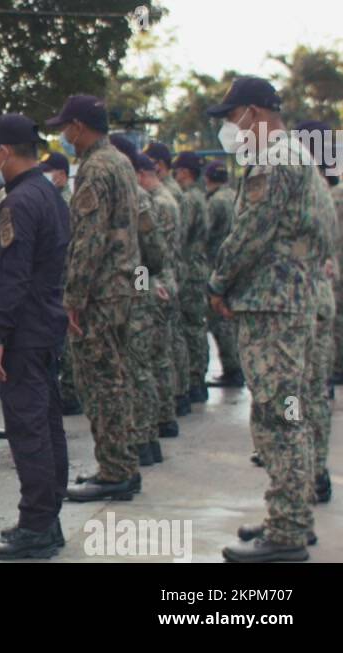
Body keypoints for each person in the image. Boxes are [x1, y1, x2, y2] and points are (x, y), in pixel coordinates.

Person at [207, 76, 331, 562]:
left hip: (272, 307)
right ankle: (289, 514)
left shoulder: (275, 157)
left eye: (231, 117)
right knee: (290, 412)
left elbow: (249, 233)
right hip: (291, 303)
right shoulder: (298, 156)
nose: (229, 129)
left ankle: (288, 532)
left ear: (254, 113)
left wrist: (218, 282)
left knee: (281, 416)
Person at [0, 114, 70, 559]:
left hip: (24, 331)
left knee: (28, 427)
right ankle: (45, 519)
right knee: (47, 424)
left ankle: (37, 525)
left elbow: (12, 275)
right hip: (44, 324)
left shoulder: (18, 202)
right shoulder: (49, 194)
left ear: (6, 151)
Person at [46, 95, 142, 502]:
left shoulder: (95, 168)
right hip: (119, 287)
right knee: (116, 378)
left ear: (80, 127)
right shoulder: (120, 161)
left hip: (99, 294)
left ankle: (115, 470)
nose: (64, 136)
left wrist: (73, 297)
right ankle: (121, 465)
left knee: (101, 382)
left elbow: (88, 238)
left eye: (66, 128)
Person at [112, 136, 175, 467]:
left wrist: (141, 283)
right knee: (138, 369)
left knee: (136, 370)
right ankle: (144, 438)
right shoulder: (134, 195)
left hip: (132, 294)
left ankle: (143, 439)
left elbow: (153, 255)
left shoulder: (134, 197)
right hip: (131, 290)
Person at [294, 119, 338, 504]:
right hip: (322, 297)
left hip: (305, 299)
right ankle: (315, 472)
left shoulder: (309, 188)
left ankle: (307, 475)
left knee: (302, 396)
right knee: (315, 393)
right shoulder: (325, 190)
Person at [134, 154, 182, 442]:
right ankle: (164, 417)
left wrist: (147, 283)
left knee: (150, 360)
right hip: (164, 278)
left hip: (157, 281)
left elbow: (151, 253)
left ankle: (157, 420)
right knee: (160, 357)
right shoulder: (165, 198)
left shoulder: (157, 203)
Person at [40, 151, 81, 417]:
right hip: (58, 280)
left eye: (49, 171)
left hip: (66, 280)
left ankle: (71, 394)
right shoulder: (52, 202)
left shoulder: (66, 205)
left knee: (67, 340)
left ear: (62, 176)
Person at [172, 151, 210, 405]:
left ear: (184, 172)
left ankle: (193, 380)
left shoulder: (189, 200)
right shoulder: (201, 196)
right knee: (196, 326)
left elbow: (179, 237)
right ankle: (198, 379)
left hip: (189, 270)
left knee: (189, 328)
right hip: (198, 268)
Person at [203, 161, 243, 388]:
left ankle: (232, 368)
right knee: (231, 317)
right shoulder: (235, 196)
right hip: (235, 264)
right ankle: (235, 365)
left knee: (220, 320)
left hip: (217, 264)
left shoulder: (216, 202)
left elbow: (205, 232)